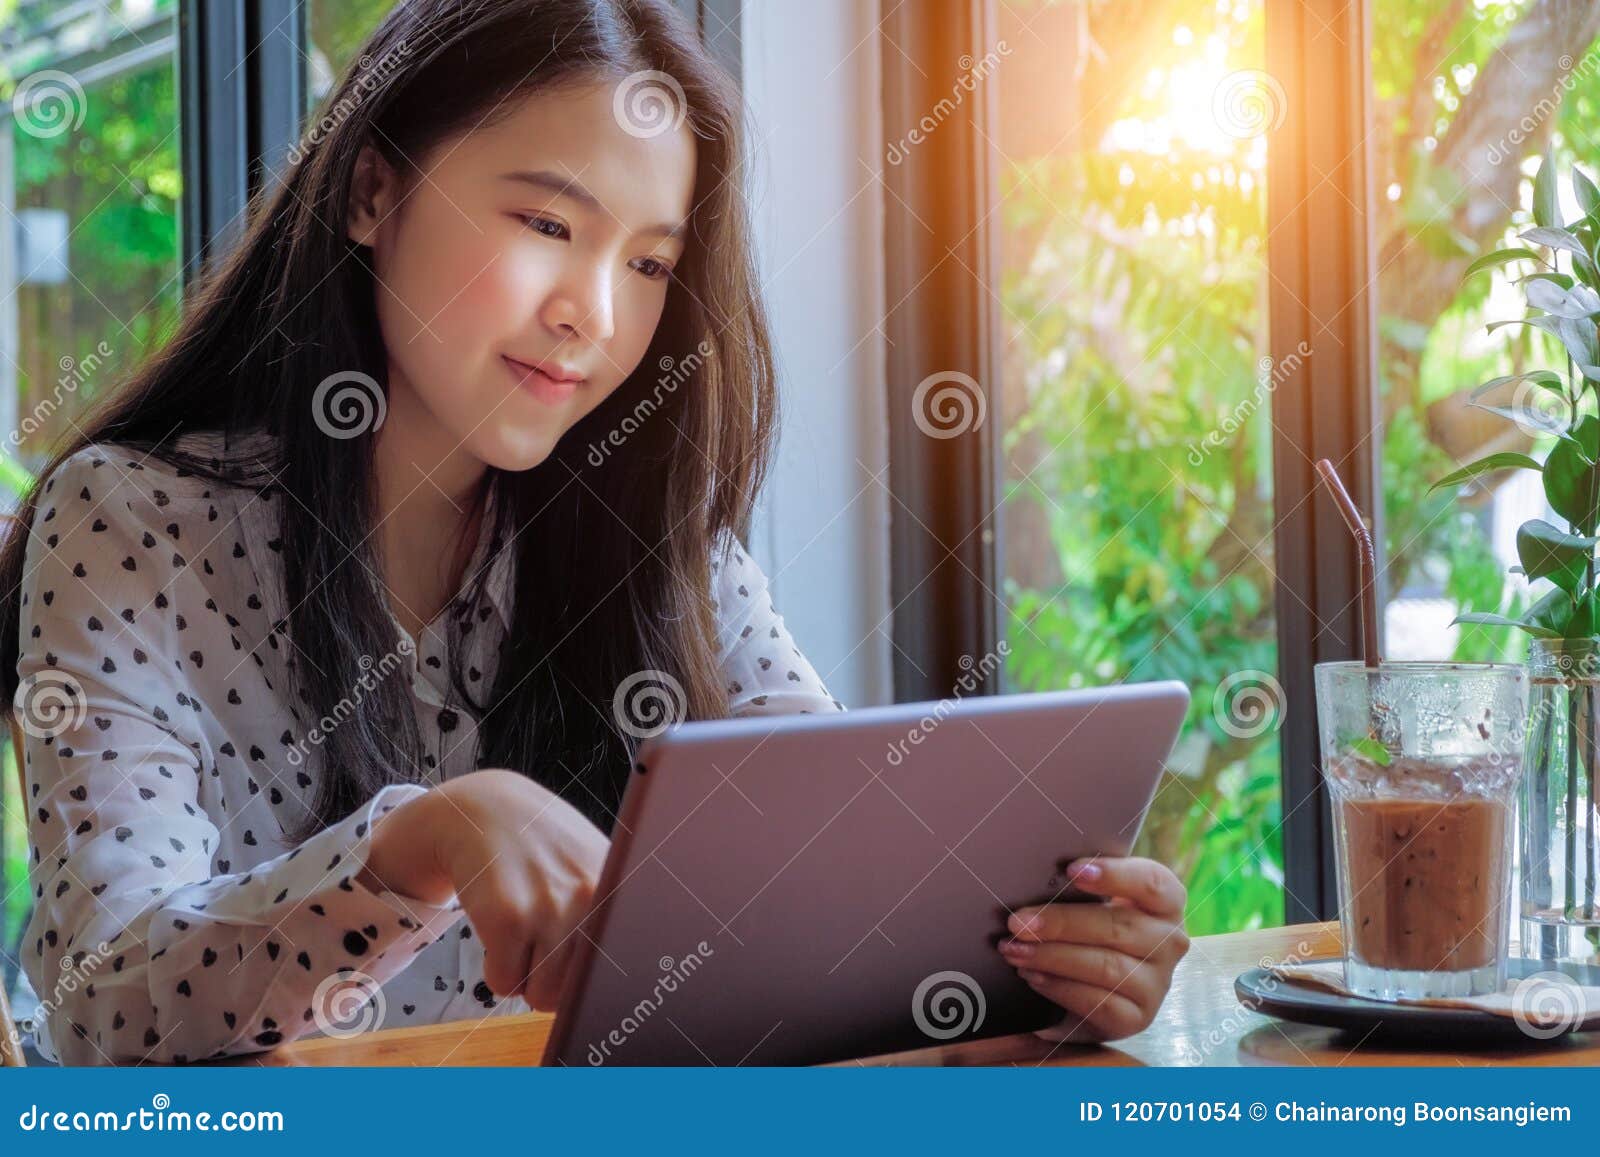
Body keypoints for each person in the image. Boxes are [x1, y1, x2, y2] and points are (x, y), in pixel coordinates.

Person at [0, 0, 1188, 1066]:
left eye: (649, 261)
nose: (595, 314)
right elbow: (109, 1000)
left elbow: (844, 864)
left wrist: (1036, 960)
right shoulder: (132, 520)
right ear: (372, 192)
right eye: (546, 223)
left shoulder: (649, 527)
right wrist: (421, 838)